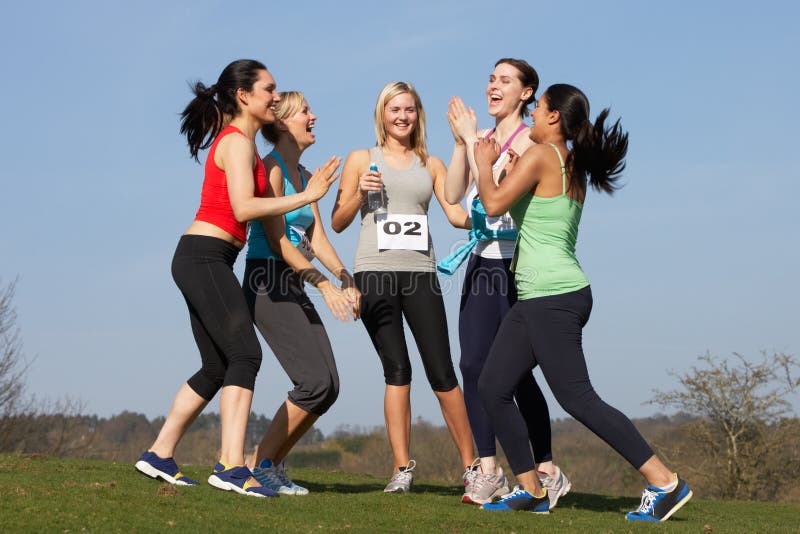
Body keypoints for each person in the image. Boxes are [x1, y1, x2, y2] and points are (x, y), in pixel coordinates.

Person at [473, 84, 692, 521]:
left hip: (552, 297)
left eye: (537, 109)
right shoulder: (565, 162)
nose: (532, 115)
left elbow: (493, 203)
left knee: (578, 398)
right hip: (540, 296)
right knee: (493, 387)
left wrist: (483, 163)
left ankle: (665, 482)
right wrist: (504, 172)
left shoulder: (542, 156)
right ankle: (531, 489)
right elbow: (525, 212)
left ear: (554, 117)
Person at [134, 60, 341, 498]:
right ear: (244, 95)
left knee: (217, 365)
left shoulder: (241, 142)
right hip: (204, 258)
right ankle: (230, 466)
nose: (275, 97)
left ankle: (159, 453)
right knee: (245, 355)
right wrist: (306, 195)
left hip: (207, 259)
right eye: (269, 89)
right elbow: (243, 208)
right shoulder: (238, 143)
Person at [331, 81, 474, 494]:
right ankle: (401, 470)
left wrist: (491, 221)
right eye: (394, 109)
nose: (402, 116)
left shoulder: (431, 164)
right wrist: (360, 194)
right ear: (382, 114)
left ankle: (473, 467)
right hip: (374, 273)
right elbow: (338, 220)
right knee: (397, 371)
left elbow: (454, 212)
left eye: (409, 110)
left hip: (420, 274)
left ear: (418, 115)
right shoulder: (363, 158)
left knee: (442, 370)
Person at [441, 58, 570, 507]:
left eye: (505, 80)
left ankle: (546, 468)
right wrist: (464, 144)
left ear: (527, 93)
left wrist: (482, 153)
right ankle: (489, 469)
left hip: (515, 266)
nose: (494, 85)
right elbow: (456, 195)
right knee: (474, 367)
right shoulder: (483, 139)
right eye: (491, 78)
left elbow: (496, 197)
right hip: (480, 263)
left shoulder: (530, 139)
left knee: (513, 375)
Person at [242, 92, 360, 495]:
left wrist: (344, 276)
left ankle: (268, 462)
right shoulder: (272, 169)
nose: (314, 116)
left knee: (327, 386)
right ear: (283, 123)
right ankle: (261, 465)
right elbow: (279, 241)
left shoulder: (306, 174)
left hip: (294, 279)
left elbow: (316, 238)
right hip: (267, 282)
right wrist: (322, 284)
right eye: (306, 111)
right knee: (312, 382)